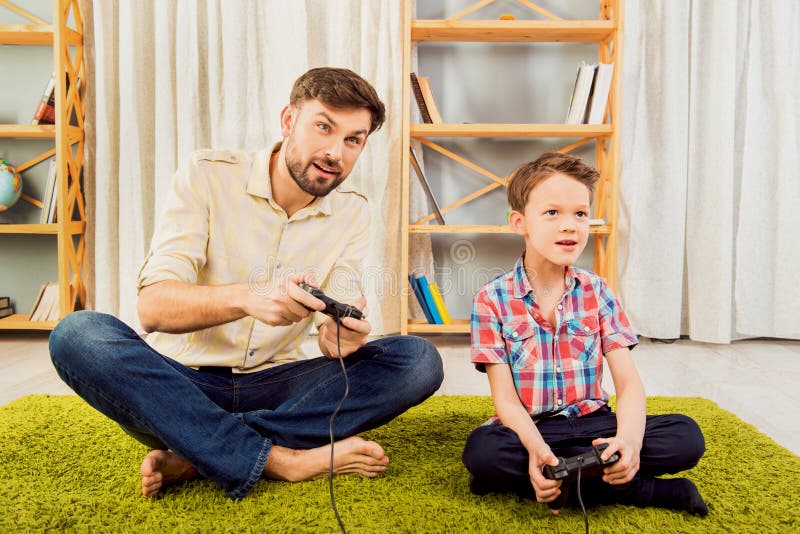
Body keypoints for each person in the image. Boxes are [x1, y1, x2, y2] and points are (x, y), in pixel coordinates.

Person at [49, 67, 443, 500]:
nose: (335, 152)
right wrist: (247, 298)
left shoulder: (354, 212)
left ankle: (199, 451)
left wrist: (340, 337)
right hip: (182, 384)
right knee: (78, 334)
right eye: (323, 126)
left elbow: (340, 313)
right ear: (288, 120)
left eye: (353, 139)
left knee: (417, 359)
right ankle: (281, 459)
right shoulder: (206, 175)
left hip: (278, 388)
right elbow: (153, 308)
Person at [461, 152, 708, 516]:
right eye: (552, 213)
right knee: (483, 451)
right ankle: (644, 490)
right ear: (519, 222)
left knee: (686, 436)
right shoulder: (491, 299)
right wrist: (536, 450)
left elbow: (628, 385)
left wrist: (628, 442)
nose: (570, 226)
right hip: (535, 428)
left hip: (595, 422)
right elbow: (507, 402)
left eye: (580, 213)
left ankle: (551, 479)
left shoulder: (598, 291)